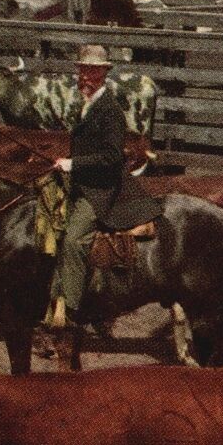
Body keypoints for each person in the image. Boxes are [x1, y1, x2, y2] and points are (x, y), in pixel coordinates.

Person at [47, 45, 161, 334]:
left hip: (100, 189)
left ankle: (70, 313)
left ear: (103, 74)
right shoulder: (87, 104)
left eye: (92, 71)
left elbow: (112, 157)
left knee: (74, 241)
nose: (85, 76)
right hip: (84, 181)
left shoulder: (109, 111)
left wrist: (73, 165)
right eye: (82, 70)